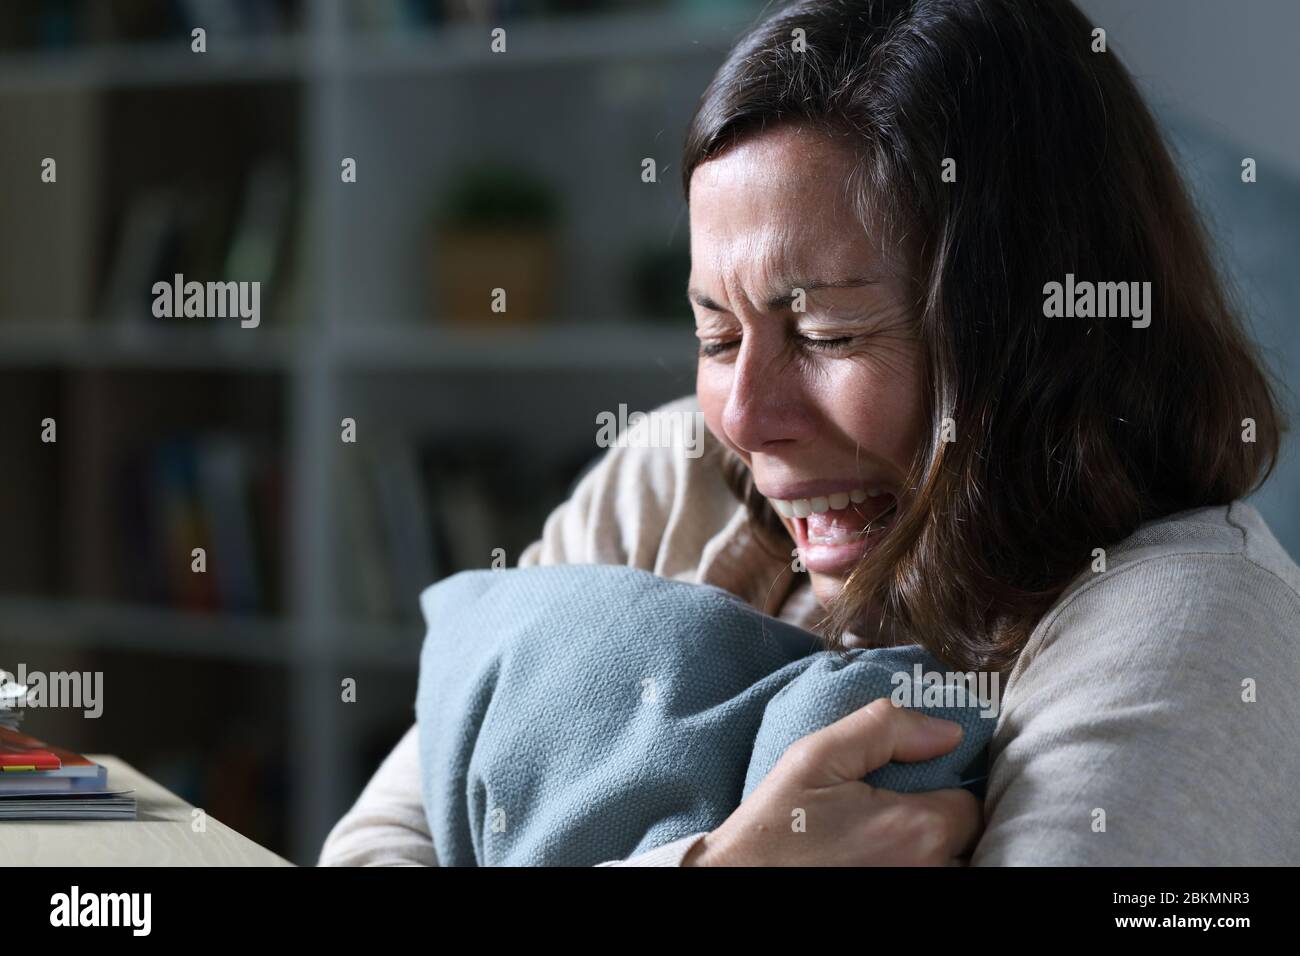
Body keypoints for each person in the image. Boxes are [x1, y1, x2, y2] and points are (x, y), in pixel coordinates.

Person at [319, 0, 1300, 866]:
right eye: (715, 332)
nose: (743, 415)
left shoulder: (1194, 621)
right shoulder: (667, 483)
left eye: (827, 333)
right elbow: (374, 844)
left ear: (1039, 337)